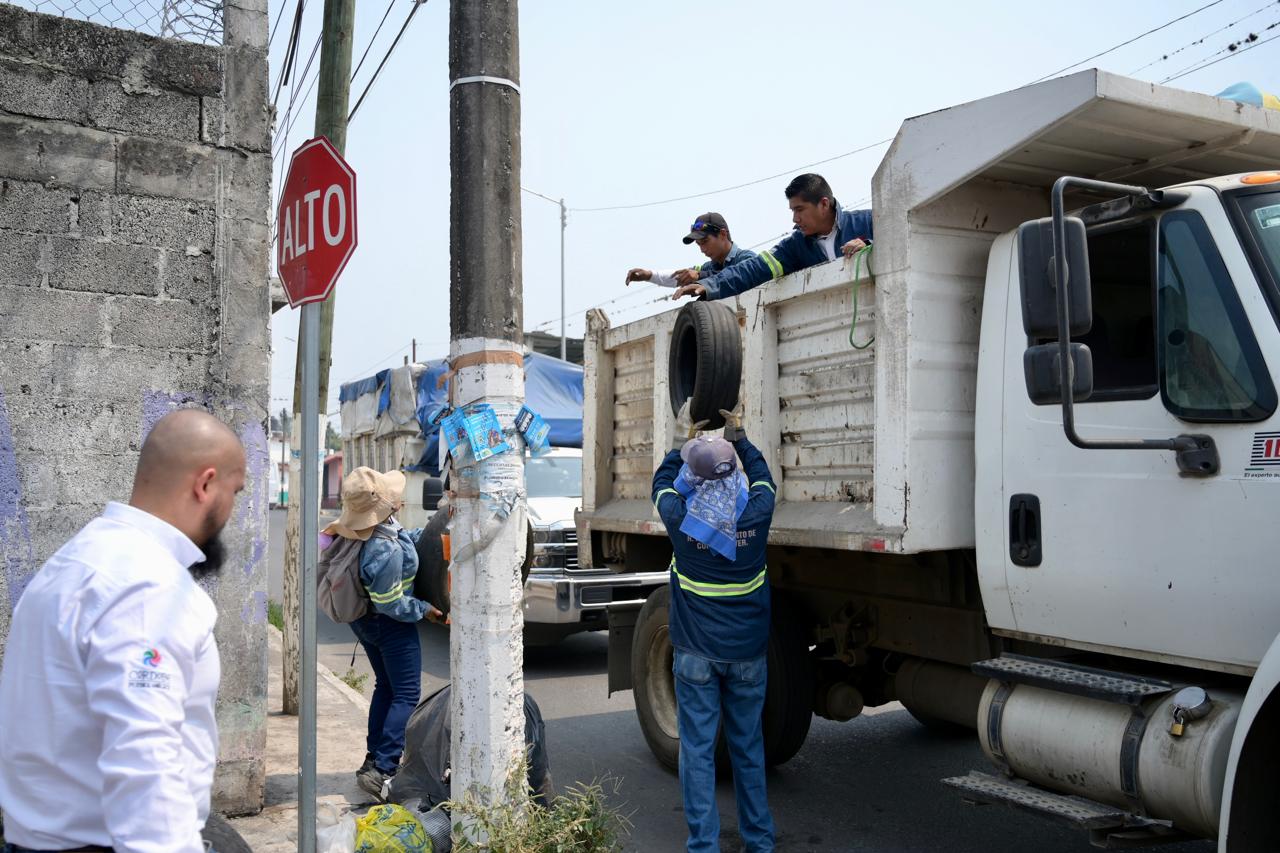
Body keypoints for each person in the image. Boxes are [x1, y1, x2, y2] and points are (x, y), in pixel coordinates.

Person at [0, 409, 246, 853]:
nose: (232, 508)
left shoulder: (79, 559)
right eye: (235, 491)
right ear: (205, 484)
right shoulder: (146, 586)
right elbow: (145, 760)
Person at [651, 403, 778, 852]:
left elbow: (662, 485)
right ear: (732, 473)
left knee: (699, 755)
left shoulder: (682, 519)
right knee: (748, 750)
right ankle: (759, 843)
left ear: (697, 479)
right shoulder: (756, 514)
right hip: (748, 657)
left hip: (695, 659)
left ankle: (703, 846)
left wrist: (680, 439)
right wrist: (738, 435)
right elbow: (764, 479)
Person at [321, 466, 438, 802]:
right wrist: (424, 609)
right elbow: (391, 603)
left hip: (366, 623)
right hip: (387, 624)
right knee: (405, 694)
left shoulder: (369, 530)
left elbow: (406, 538)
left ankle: (373, 760)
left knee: (385, 686)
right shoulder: (382, 550)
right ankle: (384, 768)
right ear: (389, 505)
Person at [673, 174, 873, 301]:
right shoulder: (795, 246)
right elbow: (753, 269)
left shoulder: (871, 221)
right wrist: (710, 285)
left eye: (800, 209)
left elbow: (902, 244)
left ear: (823, 204)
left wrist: (869, 244)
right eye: (792, 210)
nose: (795, 218)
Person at [625, 212, 756, 291]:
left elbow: (733, 277)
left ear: (722, 234)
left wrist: (700, 276)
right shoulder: (708, 267)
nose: (702, 250)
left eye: (704, 242)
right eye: (698, 245)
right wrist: (649, 275)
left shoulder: (748, 260)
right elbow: (679, 276)